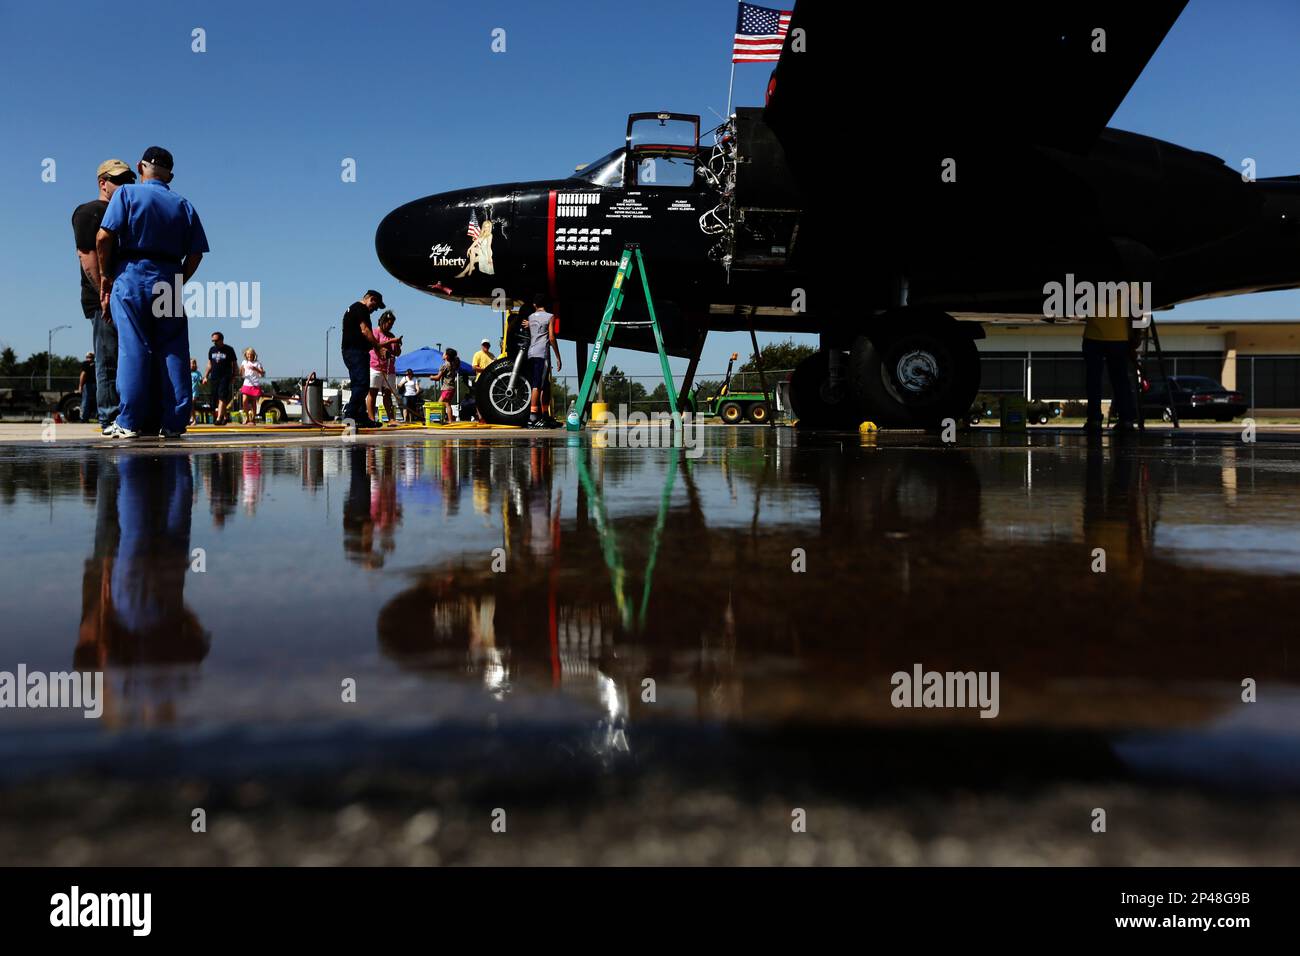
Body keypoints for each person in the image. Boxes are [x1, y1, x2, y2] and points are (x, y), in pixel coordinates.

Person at [96, 146, 208, 439]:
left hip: (132, 275)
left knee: (133, 347)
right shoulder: (183, 204)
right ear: (170, 174)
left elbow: (103, 236)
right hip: (169, 275)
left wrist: (107, 276)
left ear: (140, 166)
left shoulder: (127, 194)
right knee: (173, 349)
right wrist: (178, 281)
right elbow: (196, 254)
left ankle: (129, 420)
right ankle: (174, 422)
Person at [72, 158, 134, 435]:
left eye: (128, 180)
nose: (124, 185)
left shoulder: (128, 212)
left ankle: (128, 415)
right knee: (108, 359)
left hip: (127, 297)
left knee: (128, 359)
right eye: (118, 180)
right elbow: (88, 256)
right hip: (103, 300)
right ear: (102, 182)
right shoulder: (90, 211)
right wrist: (103, 294)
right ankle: (109, 418)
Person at [1082, 307, 1138, 432]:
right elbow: (1136, 310)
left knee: (1093, 380)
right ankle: (1126, 420)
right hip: (1119, 337)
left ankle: (1094, 420)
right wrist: (1135, 336)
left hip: (1093, 334)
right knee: (1121, 380)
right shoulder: (1130, 286)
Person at [340, 291, 385, 428]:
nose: (374, 310)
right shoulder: (361, 309)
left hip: (352, 350)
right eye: (375, 306)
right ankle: (350, 415)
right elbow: (365, 330)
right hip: (355, 351)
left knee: (357, 385)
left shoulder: (353, 308)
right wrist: (377, 347)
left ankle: (360, 416)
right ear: (371, 299)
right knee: (362, 384)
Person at [526, 293, 562, 428]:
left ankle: (544, 414)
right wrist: (558, 357)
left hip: (531, 352)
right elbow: (551, 338)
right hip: (542, 353)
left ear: (535, 305)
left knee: (544, 384)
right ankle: (533, 415)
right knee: (538, 385)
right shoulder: (550, 317)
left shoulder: (530, 317)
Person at [368, 310, 401, 425]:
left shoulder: (391, 336)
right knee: (373, 392)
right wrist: (391, 341)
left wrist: (396, 344)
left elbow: (397, 353)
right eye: (389, 324)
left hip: (389, 369)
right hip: (375, 367)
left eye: (392, 324)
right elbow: (375, 345)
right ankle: (371, 419)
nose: (390, 326)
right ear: (383, 321)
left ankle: (391, 418)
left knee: (387, 394)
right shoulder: (375, 332)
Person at [203, 332, 238, 425]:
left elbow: (234, 364)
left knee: (222, 396)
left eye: (216, 340)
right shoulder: (212, 349)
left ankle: (219, 418)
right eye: (212, 341)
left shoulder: (229, 350)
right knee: (217, 398)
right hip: (214, 376)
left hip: (225, 376)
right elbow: (209, 364)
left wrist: (234, 375)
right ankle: (225, 416)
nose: (214, 342)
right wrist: (205, 376)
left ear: (221, 340)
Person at [432, 348, 461, 419]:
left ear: (447, 356)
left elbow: (438, 377)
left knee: (444, 404)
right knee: (445, 404)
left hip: (447, 388)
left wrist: (431, 377)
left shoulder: (444, 365)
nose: (443, 354)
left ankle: (449, 420)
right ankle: (447, 418)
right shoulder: (453, 365)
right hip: (451, 388)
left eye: (444, 353)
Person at [239, 348, 265, 425]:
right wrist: (240, 370)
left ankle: (253, 418)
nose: (249, 355)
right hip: (246, 383)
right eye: (248, 354)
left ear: (254, 355)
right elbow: (241, 373)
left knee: (253, 402)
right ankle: (247, 417)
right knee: (244, 401)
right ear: (246, 355)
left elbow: (263, 373)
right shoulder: (244, 362)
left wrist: (256, 369)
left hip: (255, 385)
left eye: (251, 354)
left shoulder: (257, 363)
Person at [78, 351, 96, 424]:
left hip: (88, 385)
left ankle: (83, 418)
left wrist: (80, 386)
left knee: (85, 402)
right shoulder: (96, 364)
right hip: (96, 384)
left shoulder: (85, 364)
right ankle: (97, 416)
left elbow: (83, 374)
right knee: (95, 402)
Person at [188, 358, 201, 425]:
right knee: (190, 405)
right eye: (191, 363)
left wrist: (202, 381)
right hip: (188, 391)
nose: (193, 365)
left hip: (194, 392)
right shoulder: (187, 372)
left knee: (192, 404)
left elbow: (200, 381)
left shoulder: (197, 373)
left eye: (194, 363)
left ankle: (194, 419)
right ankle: (191, 418)